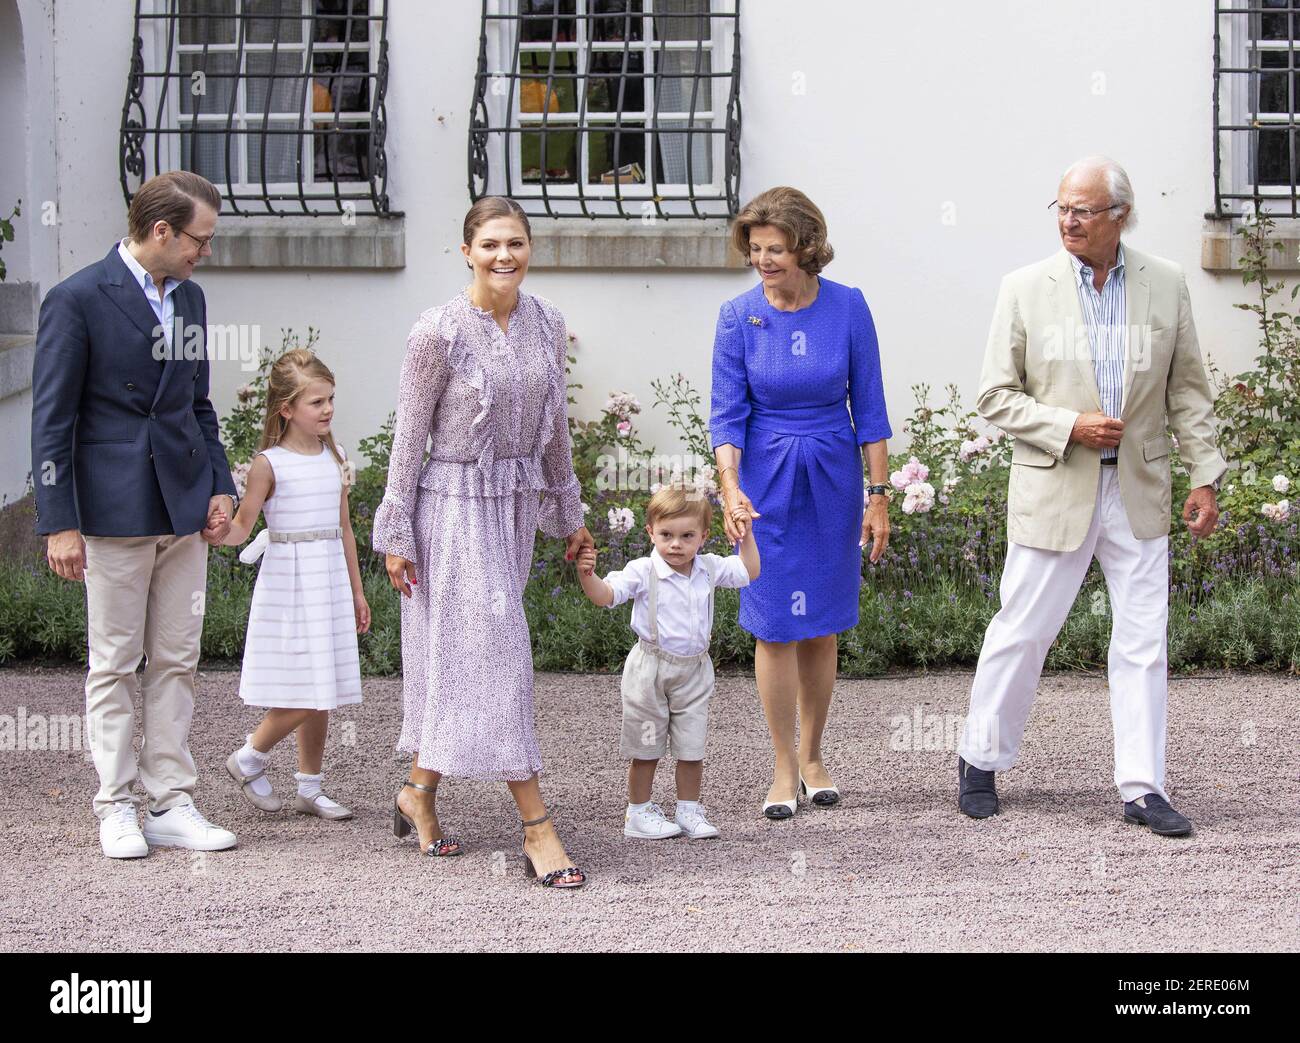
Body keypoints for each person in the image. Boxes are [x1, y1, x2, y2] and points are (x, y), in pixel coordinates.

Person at [956, 156, 1228, 837]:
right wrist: (1067, 425)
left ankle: (1143, 787)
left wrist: (1204, 474)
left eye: (1084, 210)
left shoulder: (1166, 284)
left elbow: (1188, 389)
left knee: (1143, 641)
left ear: (1120, 217)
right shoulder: (1025, 287)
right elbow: (994, 394)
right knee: (1023, 629)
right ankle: (981, 758)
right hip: (1057, 484)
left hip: (1137, 488)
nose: (1069, 220)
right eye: (1062, 208)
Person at [372, 196, 595, 887]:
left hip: (516, 508)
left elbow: (555, 425)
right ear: (466, 250)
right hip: (452, 509)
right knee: (499, 654)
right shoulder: (436, 332)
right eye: (491, 244)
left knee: (465, 658)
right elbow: (409, 437)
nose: (505, 256)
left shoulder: (548, 323)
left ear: (531, 248)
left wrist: (569, 509)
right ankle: (538, 827)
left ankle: (418, 792)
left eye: (516, 243)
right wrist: (395, 528)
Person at [30, 170, 239, 858]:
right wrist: (59, 520)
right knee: (115, 663)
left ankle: (171, 799)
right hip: (112, 506)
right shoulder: (77, 299)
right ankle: (115, 805)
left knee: (177, 657)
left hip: (181, 502)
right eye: (198, 241)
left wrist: (219, 484)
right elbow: (51, 419)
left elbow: (197, 403)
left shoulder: (193, 299)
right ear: (161, 231)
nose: (202, 253)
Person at [709, 186, 893, 820]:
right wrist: (730, 488)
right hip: (763, 487)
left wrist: (878, 498)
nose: (764, 261)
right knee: (774, 623)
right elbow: (727, 415)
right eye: (756, 250)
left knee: (821, 624)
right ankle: (783, 765)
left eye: (776, 250)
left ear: (807, 248)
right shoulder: (737, 317)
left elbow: (869, 410)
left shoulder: (847, 307)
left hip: (833, 479)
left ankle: (814, 758)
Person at [215, 349, 369, 820]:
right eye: (316, 402)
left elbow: (344, 528)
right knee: (308, 689)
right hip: (289, 584)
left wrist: (358, 591)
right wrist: (219, 531)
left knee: (324, 685)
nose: (327, 410)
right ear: (286, 409)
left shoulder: (337, 457)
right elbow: (242, 526)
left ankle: (309, 786)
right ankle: (249, 757)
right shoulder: (268, 463)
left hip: (329, 581)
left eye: (330, 400)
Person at [575, 484, 759, 839]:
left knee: (692, 746)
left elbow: (749, 571)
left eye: (687, 535)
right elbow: (605, 596)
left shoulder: (708, 567)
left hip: (694, 671)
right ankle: (639, 813)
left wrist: (746, 537)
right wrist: (587, 576)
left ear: (704, 536)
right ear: (650, 532)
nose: (676, 544)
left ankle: (689, 810)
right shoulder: (643, 570)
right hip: (650, 670)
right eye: (666, 535)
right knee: (647, 747)